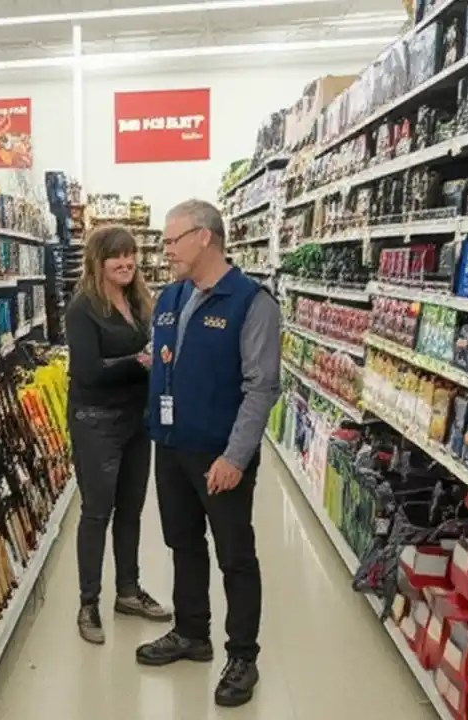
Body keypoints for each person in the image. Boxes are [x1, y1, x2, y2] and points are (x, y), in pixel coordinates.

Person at [135, 199, 281, 708]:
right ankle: (191, 632)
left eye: (172, 240)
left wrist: (236, 457)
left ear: (204, 237)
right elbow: (169, 358)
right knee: (183, 544)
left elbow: (261, 387)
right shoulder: (171, 296)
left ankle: (242, 655)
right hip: (172, 448)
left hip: (221, 456)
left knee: (235, 556)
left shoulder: (251, 302)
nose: (166, 250)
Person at [65, 225, 171, 645]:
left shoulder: (138, 302)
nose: (126, 263)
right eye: (116, 257)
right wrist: (139, 361)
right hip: (95, 422)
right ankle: (87, 603)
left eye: (130, 255)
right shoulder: (82, 309)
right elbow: (88, 371)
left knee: (130, 511)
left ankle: (127, 591)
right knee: (96, 513)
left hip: (135, 421)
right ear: (99, 262)